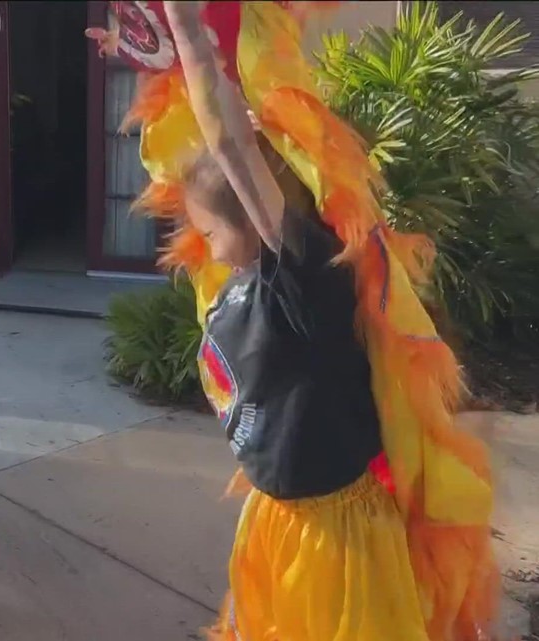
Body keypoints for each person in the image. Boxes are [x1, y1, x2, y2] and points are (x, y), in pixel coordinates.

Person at [91, 2, 499, 639]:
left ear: (256, 218)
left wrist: (190, 29)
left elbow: (228, 144)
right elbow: (196, 146)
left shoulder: (306, 282)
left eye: (208, 232)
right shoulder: (245, 281)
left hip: (338, 534)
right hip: (278, 518)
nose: (203, 247)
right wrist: (157, 56)